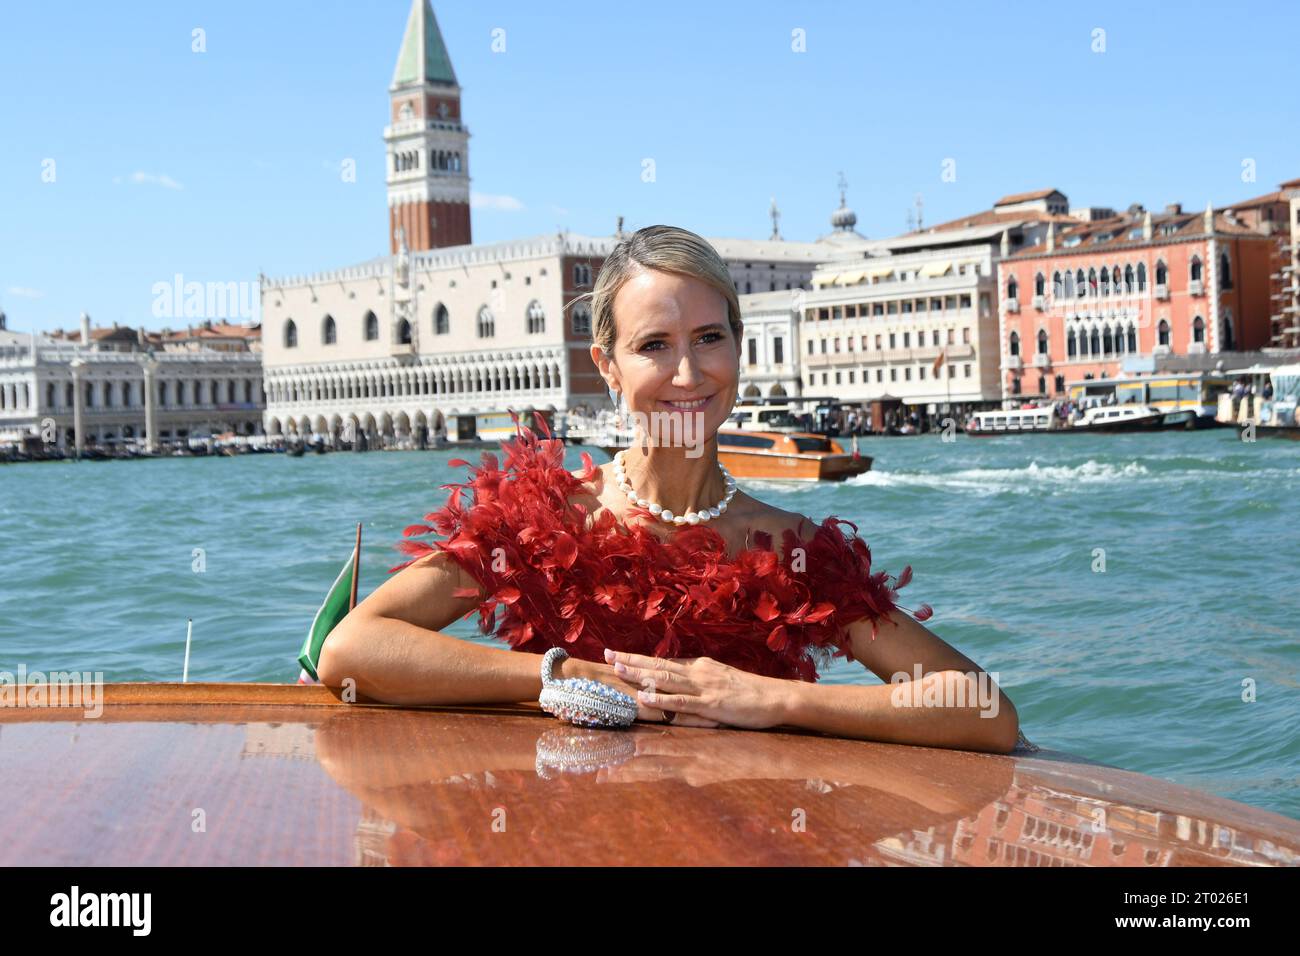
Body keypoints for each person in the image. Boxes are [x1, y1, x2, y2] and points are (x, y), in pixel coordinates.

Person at [317, 225, 1024, 754]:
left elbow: (984, 712)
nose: (688, 373)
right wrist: (559, 674)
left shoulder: (792, 550)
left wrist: (768, 699)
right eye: (654, 345)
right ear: (609, 367)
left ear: (738, 351)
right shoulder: (544, 522)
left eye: (709, 337)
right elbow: (353, 651)